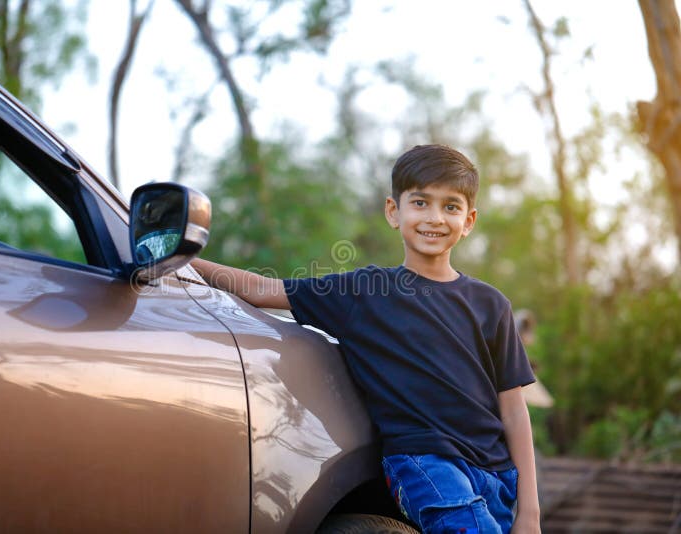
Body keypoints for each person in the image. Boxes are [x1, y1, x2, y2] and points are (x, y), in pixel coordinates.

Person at [191, 144, 540, 533]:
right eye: (421, 202)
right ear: (394, 211)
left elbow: (513, 410)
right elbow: (261, 287)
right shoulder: (363, 292)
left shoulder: (492, 305)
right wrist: (179, 260)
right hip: (426, 464)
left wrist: (530, 512)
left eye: (451, 207)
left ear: (469, 220)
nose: (435, 218)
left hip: (498, 477)